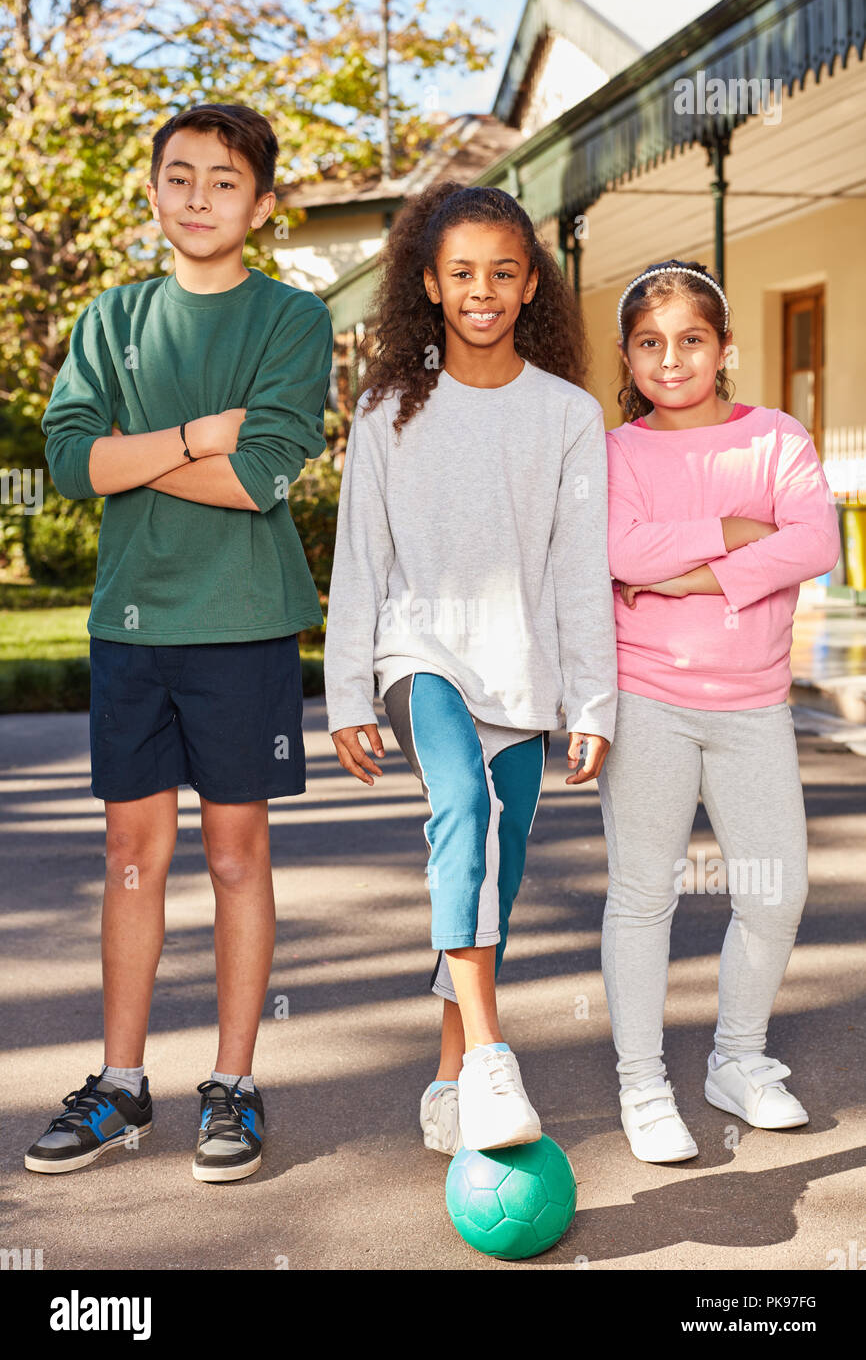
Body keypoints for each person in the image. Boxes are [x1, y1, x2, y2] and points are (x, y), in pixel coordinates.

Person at [29, 103, 333, 1182]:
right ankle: (120, 1085)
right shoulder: (110, 320)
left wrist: (136, 453)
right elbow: (71, 464)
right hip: (132, 630)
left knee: (235, 855)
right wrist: (196, 435)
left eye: (223, 180)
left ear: (259, 202)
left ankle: (234, 1085)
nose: (197, 196)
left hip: (244, 630)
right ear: (153, 190)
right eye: (179, 176)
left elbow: (260, 480)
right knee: (130, 859)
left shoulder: (291, 322)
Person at [324, 182, 617, 1156]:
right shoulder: (386, 413)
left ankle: (449, 1078)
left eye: (501, 271)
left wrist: (592, 699)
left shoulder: (568, 415)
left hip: (522, 673)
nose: (481, 289)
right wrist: (346, 695)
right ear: (428, 283)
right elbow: (360, 564)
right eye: (461, 273)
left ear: (531, 283)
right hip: (421, 655)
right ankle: (494, 1055)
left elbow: (579, 570)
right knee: (462, 809)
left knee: (491, 871)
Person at [600, 259, 840, 1163]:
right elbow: (619, 547)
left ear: (724, 346)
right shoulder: (619, 451)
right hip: (648, 700)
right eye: (650, 344)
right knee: (643, 894)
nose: (671, 359)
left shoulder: (775, 437)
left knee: (777, 892)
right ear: (627, 357)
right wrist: (739, 532)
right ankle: (643, 1085)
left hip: (755, 706)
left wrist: (687, 576)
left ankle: (737, 1059)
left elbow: (813, 539)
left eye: (691, 340)